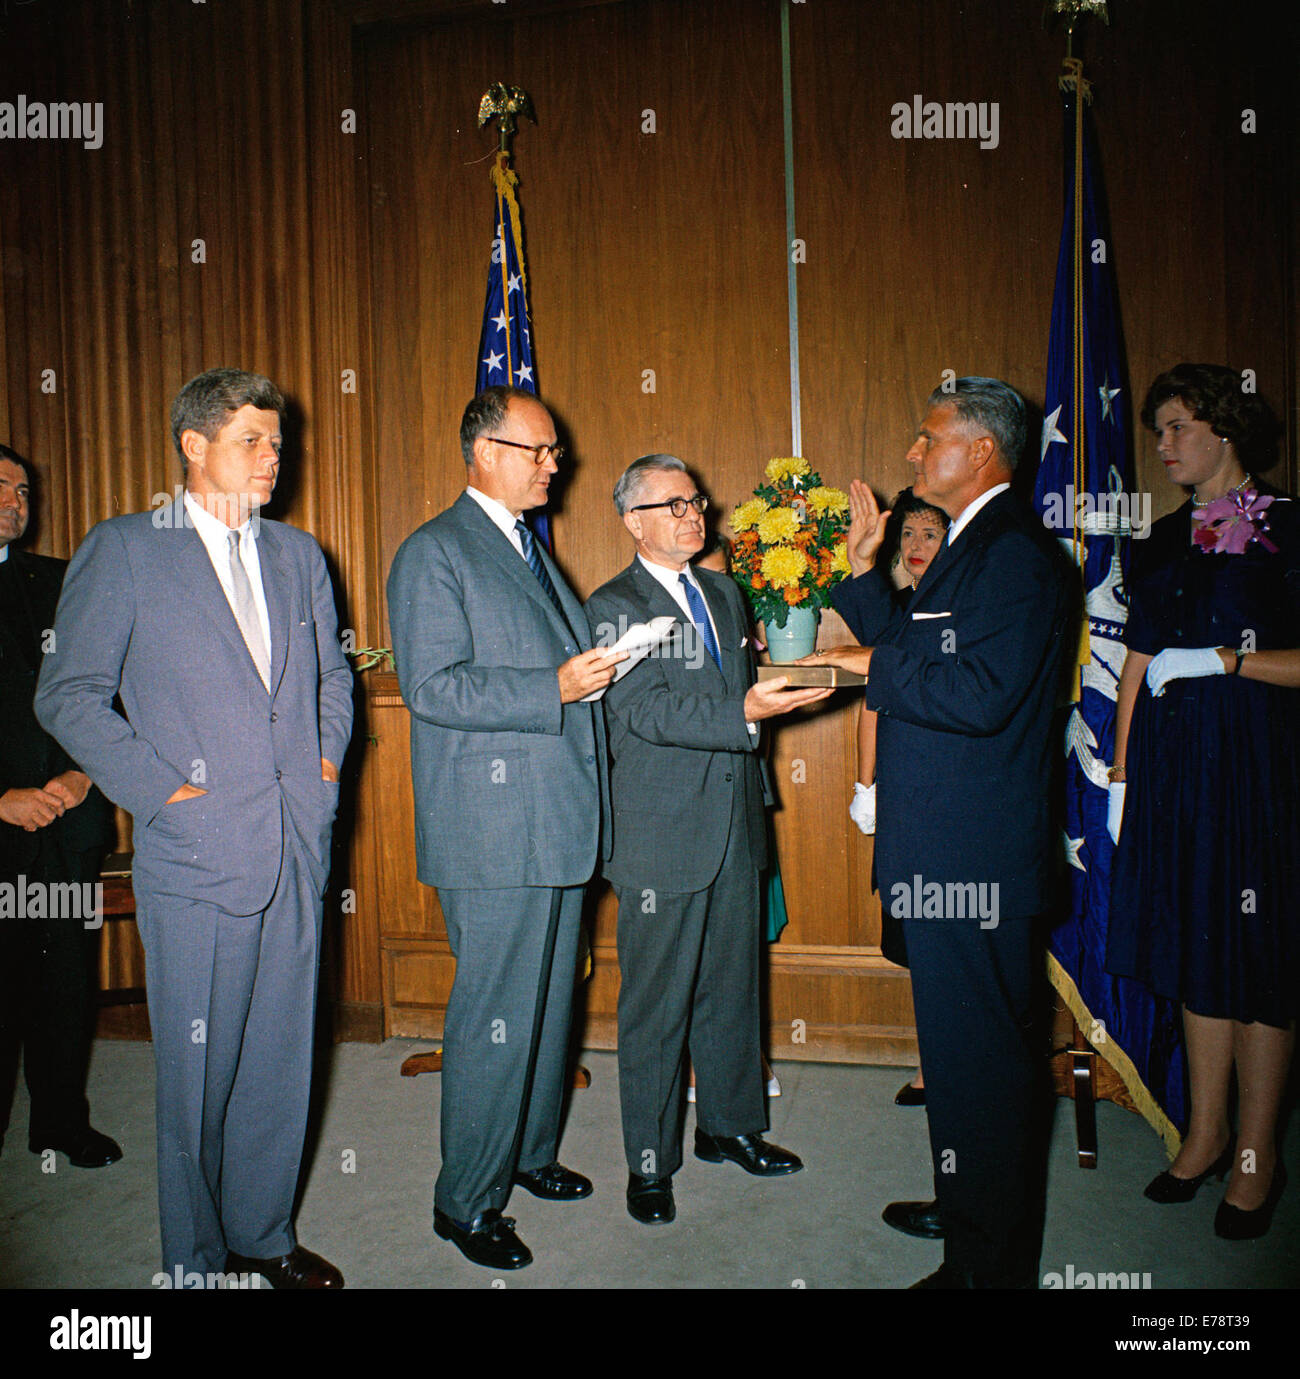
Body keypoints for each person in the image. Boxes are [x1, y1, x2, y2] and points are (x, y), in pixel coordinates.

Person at [35, 369, 353, 1289]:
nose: (271, 457)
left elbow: (331, 678)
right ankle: (198, 1263)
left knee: (279, 1060)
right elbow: (69, 695)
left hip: (295, 841)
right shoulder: (127, 549)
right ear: (192, 444)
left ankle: (263, 1234)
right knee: (198, 1075)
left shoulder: (299, 555)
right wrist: (168, 796)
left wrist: (324, 769)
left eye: (277, 442)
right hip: (198, 853)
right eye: (251, 439)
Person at [815, 377, 1069, 1288]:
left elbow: (980, 693)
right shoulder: (972, 545)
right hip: (947, 851)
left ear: (983, 453)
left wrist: (867, 662)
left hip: (975, 864)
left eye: (929, 441)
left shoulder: (1014, 555)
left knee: (986, 1071)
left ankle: (986, 1269)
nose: (914, 455)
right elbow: (928, 647)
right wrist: (864, 571)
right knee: (962, 1066)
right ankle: (969, 1214)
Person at [386, 385, 624, 1271]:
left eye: (555, 450)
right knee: (495, 1014)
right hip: (493, 831)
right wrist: (555, 686)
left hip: (556, 821)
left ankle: (525, 1155)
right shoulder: (434, 552)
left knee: (548, 1004)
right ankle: (466, 1201)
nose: (554, 463)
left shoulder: (526, 549)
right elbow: (434, 687)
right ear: (485, 450)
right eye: (539, 449)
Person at [585, 454, 827, 1226]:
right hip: (661, 835)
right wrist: (748, 712)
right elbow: (644, 710)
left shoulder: (724, 591)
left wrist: (764, 696)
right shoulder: (612, 604)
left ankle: (729, 1126)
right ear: (633, 520)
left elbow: (732, 690)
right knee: (656, 1007)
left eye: (697, 499)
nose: (695, 513)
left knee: (734, 988)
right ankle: (650, 1164)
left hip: (736, 822)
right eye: (675, 503)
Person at [1107, 363, 1298, 1240]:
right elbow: (1140, 661)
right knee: (1196, 946)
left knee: (1259, 958)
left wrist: (1228, 661)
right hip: (1178, 772)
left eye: (1179, 426)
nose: (1164, 445)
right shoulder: (1160, 537)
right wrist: (1120, 771)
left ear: (1225, 429)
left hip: (1265, 771)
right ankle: (1206, 1134)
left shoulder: (1290, 528)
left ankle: (1257, 1156)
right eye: (1158, 430)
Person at [0, 445, 118, 1168]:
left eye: (22, 488)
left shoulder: (63, 581)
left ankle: (60, 1122)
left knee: (63, 984)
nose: (16, 498)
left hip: (64, 819)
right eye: (0, 487)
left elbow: (109, 689)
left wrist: (81, 776)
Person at [846, 489, 950, 1107]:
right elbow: (874, 702)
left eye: (929, 535)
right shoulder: (902, 611)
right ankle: (929, 1061)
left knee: (951, 936)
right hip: (903, 798)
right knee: (915, 935)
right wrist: (866, 786)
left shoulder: (971, 607)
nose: (914, 547)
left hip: (951, 802)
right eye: (907, 535)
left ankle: (952, 1066)